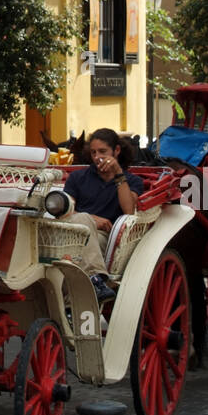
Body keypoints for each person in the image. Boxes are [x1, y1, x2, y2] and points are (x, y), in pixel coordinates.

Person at [57, 128, 144, 303]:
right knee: (82, 219)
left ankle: (93, 281)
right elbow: (66, 210)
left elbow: (128, 210)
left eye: (103, 151)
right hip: (73, 233)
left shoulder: (132, 181)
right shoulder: (78, 178)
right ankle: (95, 280)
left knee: (82, 223)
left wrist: (118, 172)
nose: (97, 157)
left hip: (105, 238)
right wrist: (92, 219)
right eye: (94, 152)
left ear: (116, 151)